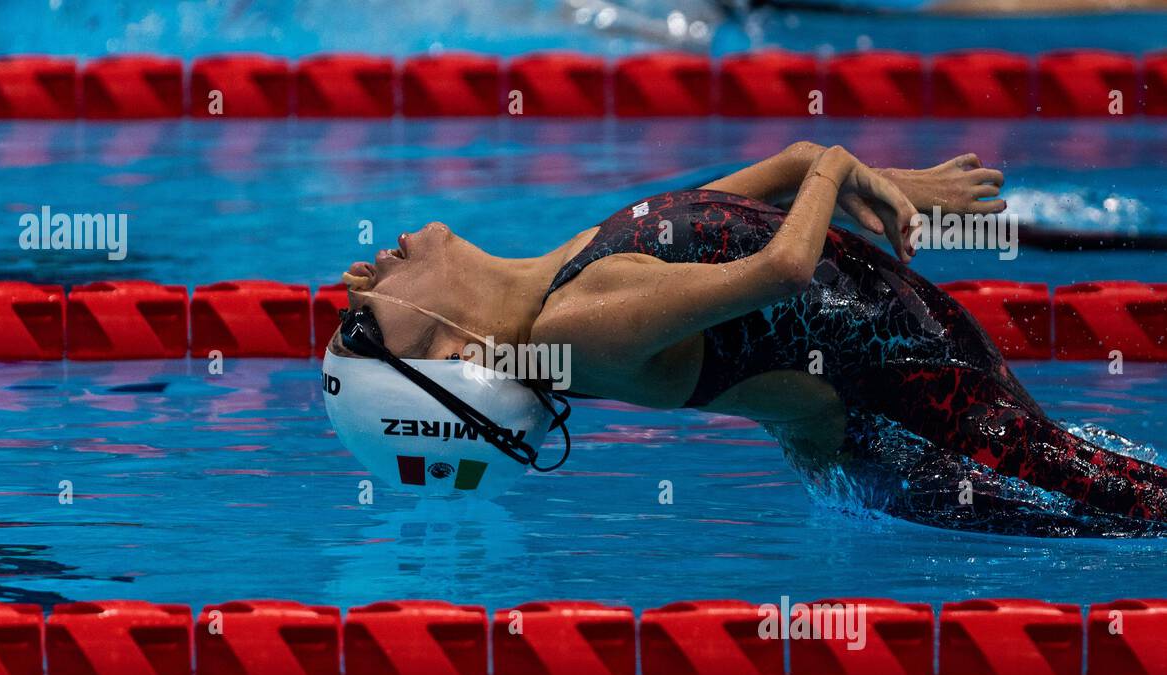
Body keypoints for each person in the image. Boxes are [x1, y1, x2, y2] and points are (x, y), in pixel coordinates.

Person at [329, 141, 1167, 536]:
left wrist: (884, 185)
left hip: (904, 378)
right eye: (362, 324)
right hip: (904, 412)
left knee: (1107, 493)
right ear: (445, 360)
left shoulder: (564, 269)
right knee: (1125, 505)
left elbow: (759, 187)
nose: (356, 282)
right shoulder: (572, 331)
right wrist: (841, 168)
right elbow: (783, 269)